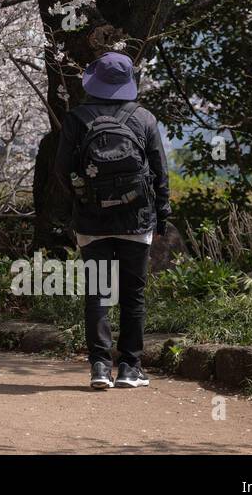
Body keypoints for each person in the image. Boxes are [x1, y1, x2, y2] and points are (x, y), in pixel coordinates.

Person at [55, 51, 171, 391]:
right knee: (133, 294)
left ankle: (100, 368)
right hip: (136, 220)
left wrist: (82, 200)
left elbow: (61, 171)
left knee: (98, 293)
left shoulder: (76, 118)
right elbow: (160, 174)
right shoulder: (145, 118)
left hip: (92, 222)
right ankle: (130, 369)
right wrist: (160, 215)